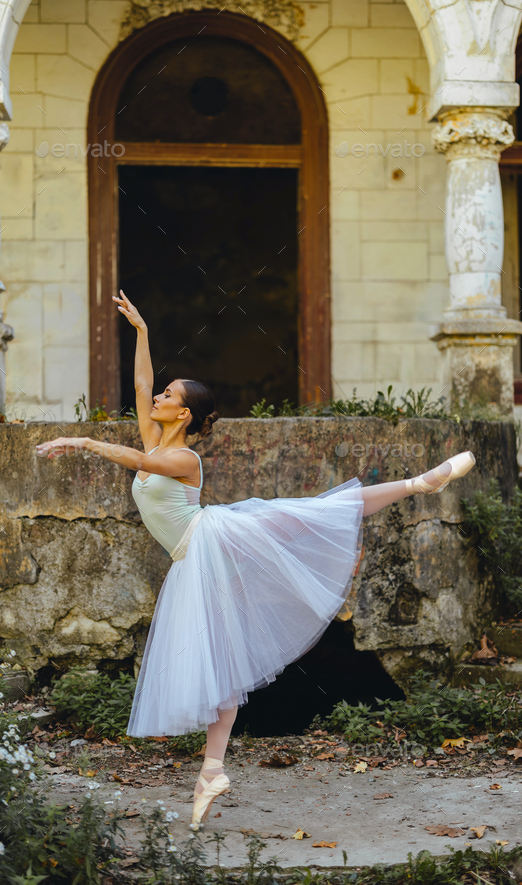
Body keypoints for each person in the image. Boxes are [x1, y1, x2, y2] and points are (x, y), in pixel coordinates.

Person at [36, 290, 476, 830]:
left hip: (212, 540)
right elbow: (137, 388)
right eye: (162, 391)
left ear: (186, 412)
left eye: (168, 394)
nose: (157, 397)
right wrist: (142, 333)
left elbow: (137, 458)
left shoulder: (181, 456)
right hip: (190, 557)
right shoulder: (157, 435)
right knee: (221, 659)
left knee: (315, 512)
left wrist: (81, 439)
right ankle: (212, 771)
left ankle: (419, 482)